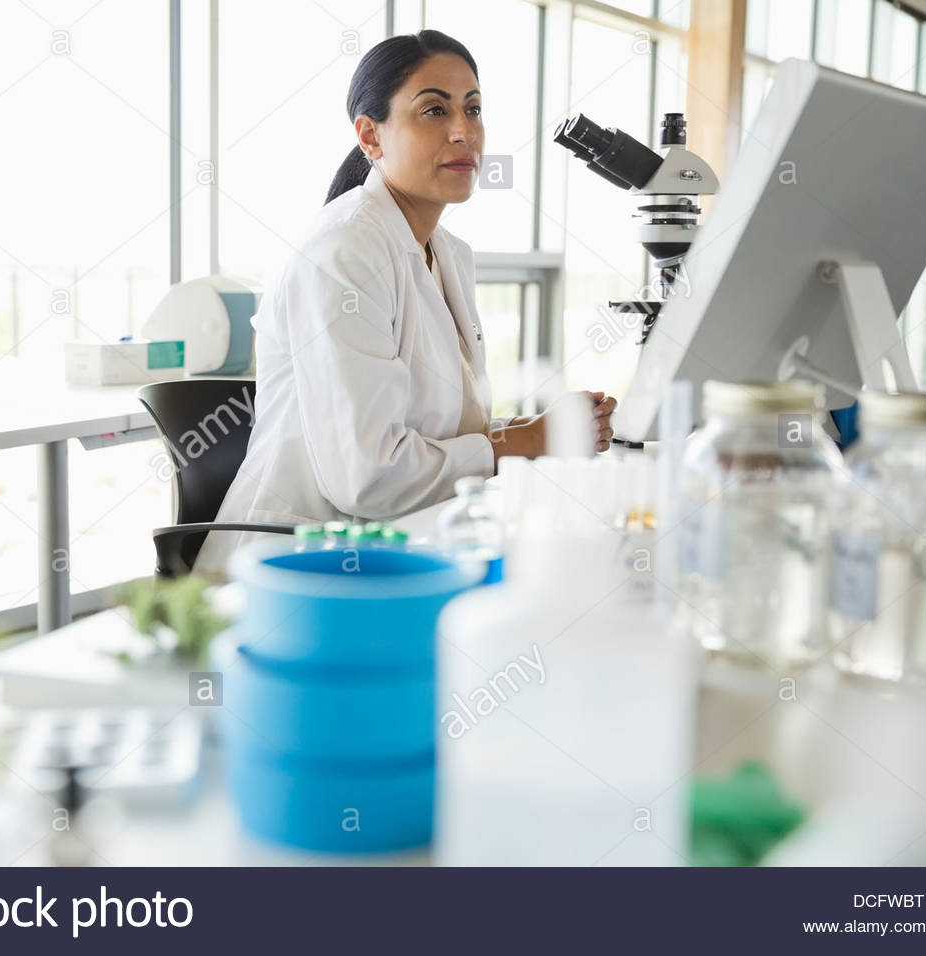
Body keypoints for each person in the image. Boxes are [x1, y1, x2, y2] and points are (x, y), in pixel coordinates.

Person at [193, 30, 616, 575]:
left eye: (474, 109)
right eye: (434, 111)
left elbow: (438, 434)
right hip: (295, 565)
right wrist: (528, 441)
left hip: (405, 542)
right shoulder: (342, 253)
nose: (464, 131)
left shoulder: (446, 253)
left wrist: (539, 429)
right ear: (370, 136)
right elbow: (369, 476)